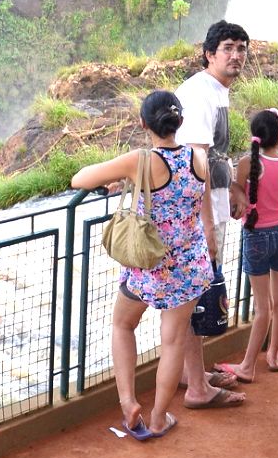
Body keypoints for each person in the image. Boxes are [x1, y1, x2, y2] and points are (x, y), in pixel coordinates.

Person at [73, 91, 226, 433]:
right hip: (189, 265)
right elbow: (193, 201)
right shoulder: (198, 156)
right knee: (172, 343)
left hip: (149, 266)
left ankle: (128, 403)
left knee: (122, 326)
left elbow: (80, 179)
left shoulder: (140, 160)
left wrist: (128, 175)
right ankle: (158, 418)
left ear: (143, 123)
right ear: (180, 122)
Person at [173, 20, 251, 404]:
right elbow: (196, 159)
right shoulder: (200, 94)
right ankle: (198, 390)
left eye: (241, 48)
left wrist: (234, 187)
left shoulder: (215, 91)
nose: (236, 55)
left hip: (212, 206)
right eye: (228, 48)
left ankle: (193, 375)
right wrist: (205, 224)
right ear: (209, 54)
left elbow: (213, 156)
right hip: (195, 215)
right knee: (193, 294)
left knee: (196, 293)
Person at [217, 109, 278, 381]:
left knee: (262, 308)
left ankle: (247, 366)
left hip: (255, 235)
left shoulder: (245, 164)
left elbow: (238, 203)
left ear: (253, 135)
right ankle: (273, 354)